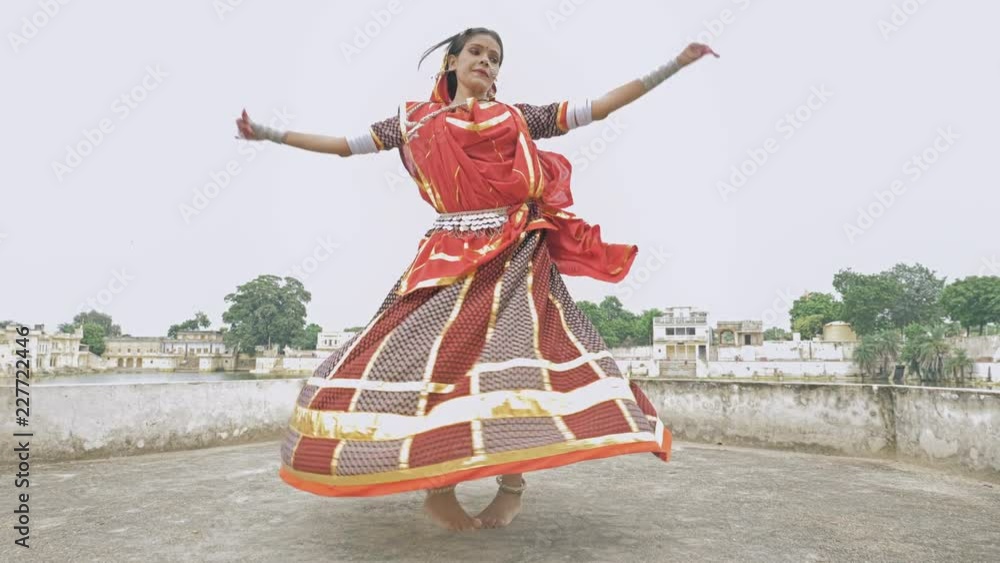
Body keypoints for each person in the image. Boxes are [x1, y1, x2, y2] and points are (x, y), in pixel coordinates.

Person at [235, 27, 718, 531]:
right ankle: (439, 487)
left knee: (514, 370)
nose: (486, 61)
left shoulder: (516, 117)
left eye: (495, 57)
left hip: (515, 256)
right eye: (477, 52)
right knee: (427, 361)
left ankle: (511, 489)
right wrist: (267, 133)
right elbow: (342, 146)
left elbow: (597, 108)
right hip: (446, 256)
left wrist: (674, 64)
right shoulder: (413, 121)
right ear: (451, 61)